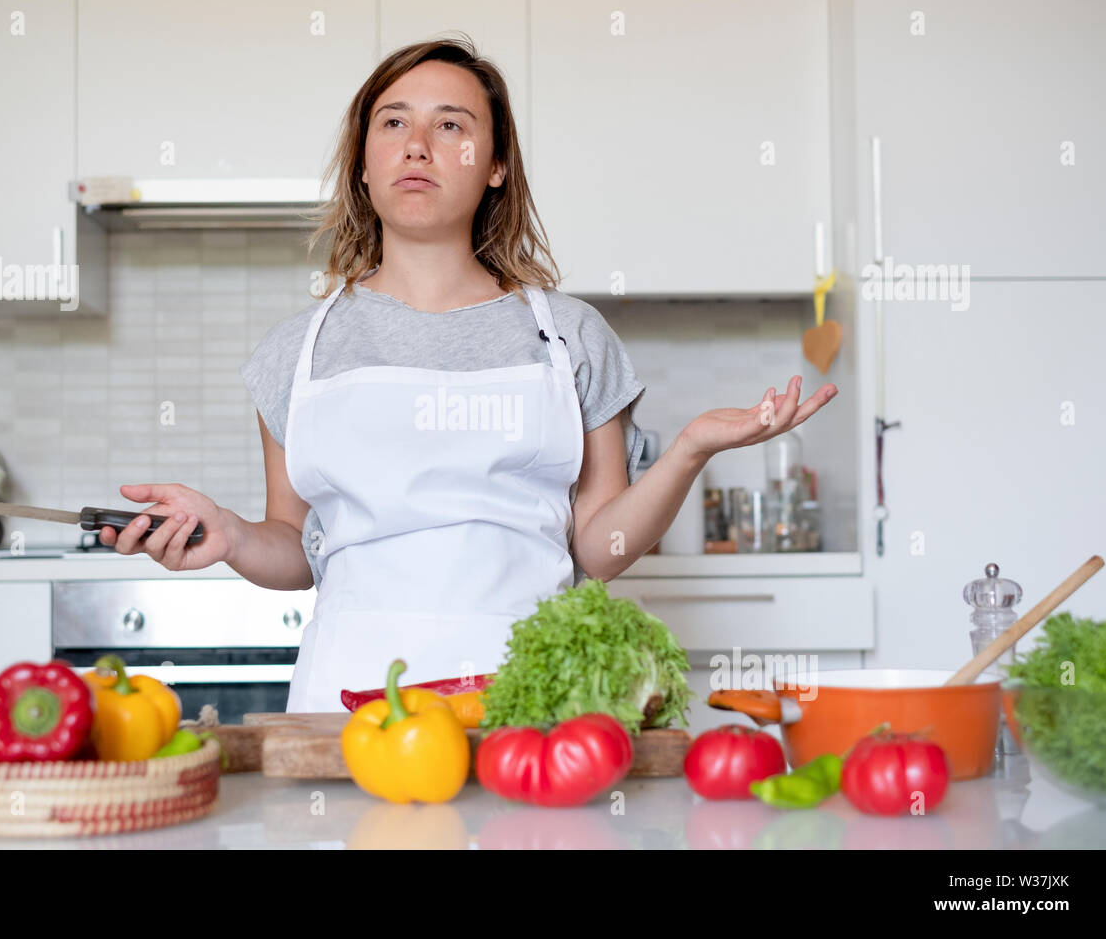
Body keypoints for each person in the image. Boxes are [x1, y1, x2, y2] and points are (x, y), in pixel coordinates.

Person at [98, 36, 837, 712]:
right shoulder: (297, 352)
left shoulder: (570, 336)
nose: (417, 146)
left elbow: (597, 552)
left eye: (450, 125)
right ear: (363, 161)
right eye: (392, 124)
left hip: (527, 697)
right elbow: (297, 548)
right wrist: (227, 533)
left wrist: (690, 450)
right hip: (350, 704)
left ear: (494, 167)